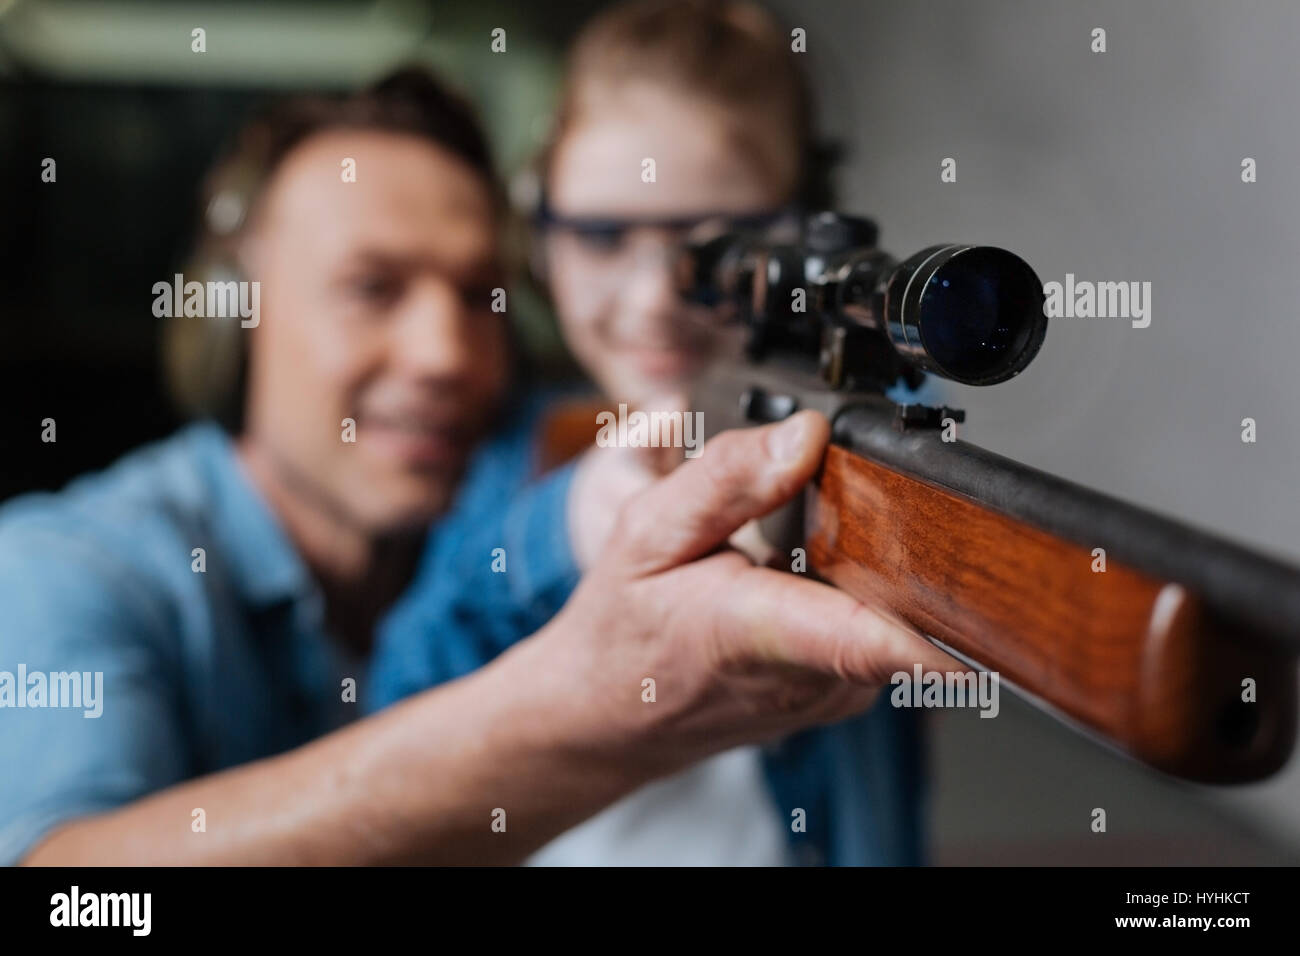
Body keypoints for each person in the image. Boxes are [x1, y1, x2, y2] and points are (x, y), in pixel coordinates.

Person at [0, 66, 952, 866]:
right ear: (232, 318)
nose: (446, 355)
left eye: (478, 296)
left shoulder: (508, 489)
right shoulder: (65, 569)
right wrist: (587, 714)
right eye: (372, 288)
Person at [369, 0, 938, 865]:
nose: (651, 302)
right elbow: (395, 718)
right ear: (538, 237)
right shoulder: (515, 460)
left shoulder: (868, 452)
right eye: (600, 237)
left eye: (718, 250)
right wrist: (569, 528)